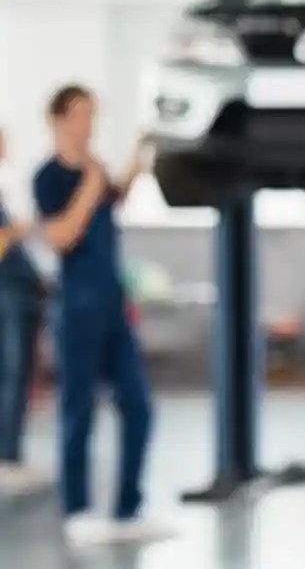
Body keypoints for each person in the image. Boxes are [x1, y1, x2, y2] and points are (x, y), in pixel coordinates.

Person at [32, 85, 169, 545]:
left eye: (93, 115)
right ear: (57, 120)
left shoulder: (97, 171)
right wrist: (91, 186)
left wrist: (138, 154)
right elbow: (61, 237)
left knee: (139, 407)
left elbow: (117, 198)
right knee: (78, 411)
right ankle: (77, 510)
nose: (88, 124)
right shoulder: (49, 177)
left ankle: (128, 508)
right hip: (76, 309)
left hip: (113, 306)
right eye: (80, 115)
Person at [0, 128, 48, 494]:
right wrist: (21, 228)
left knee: (17, 375)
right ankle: (7, 455)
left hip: (23, 291)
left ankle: (10, 452)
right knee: (13, 374)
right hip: (9, 294)